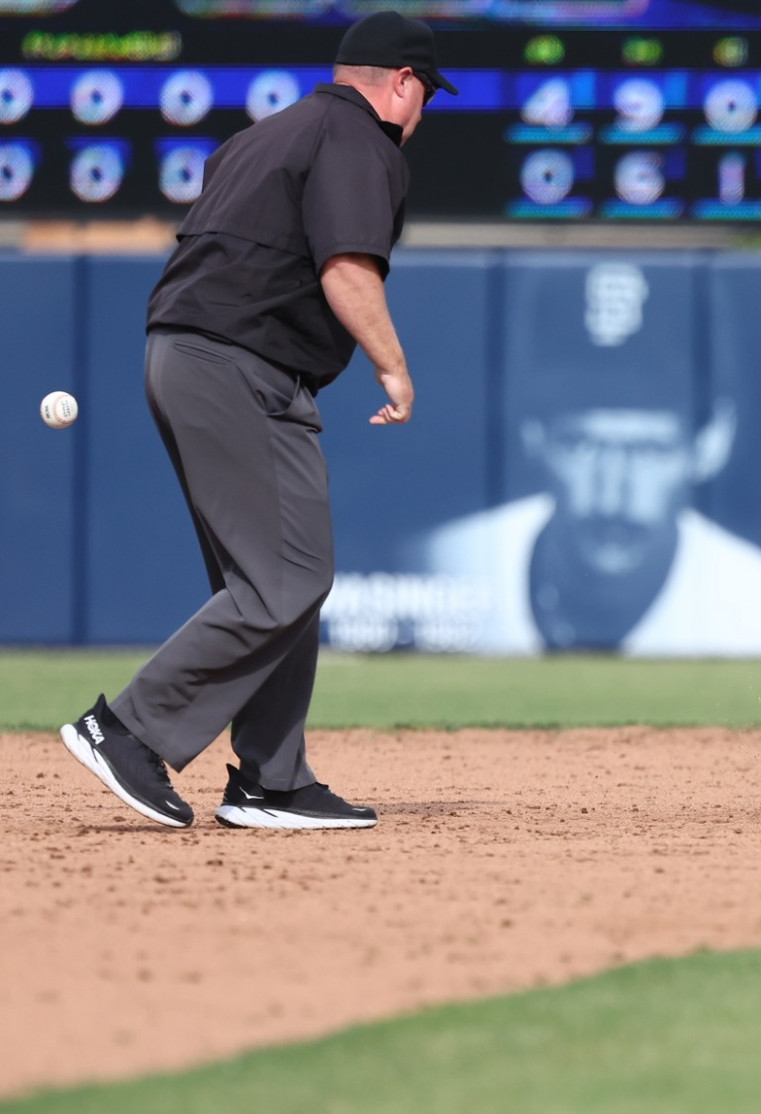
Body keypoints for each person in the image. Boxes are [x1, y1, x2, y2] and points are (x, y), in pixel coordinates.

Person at [55, 12, 454, 830]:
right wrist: (393, 364)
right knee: (291, 577)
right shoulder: (360, 141)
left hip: (183, 353)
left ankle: (272, 779)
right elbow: (345, 267)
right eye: (425, 98)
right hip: (241, 367)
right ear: (404, 85)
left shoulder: (264, 134)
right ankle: (129, 729)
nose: (421, 116)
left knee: (272, 579)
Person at [420, 401, 761, 656]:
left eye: (649, 450)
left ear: (708, 445)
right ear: (536, 438)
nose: (612, 495)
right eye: (583, 446)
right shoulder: (443, 560)